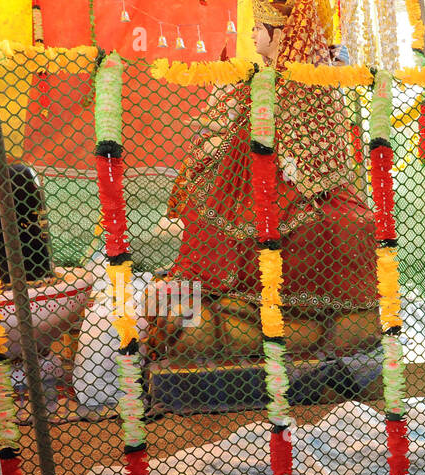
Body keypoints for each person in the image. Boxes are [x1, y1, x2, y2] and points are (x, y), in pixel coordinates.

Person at [153, 0, 380, 357]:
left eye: (259, 28)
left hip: (295, 179)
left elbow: (317, 142)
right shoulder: (260, 73)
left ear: (280, 36)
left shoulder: (308, 78)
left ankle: (263, 311)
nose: (252, 34)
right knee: (203, 202)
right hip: (248, 173)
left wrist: (289, 160)